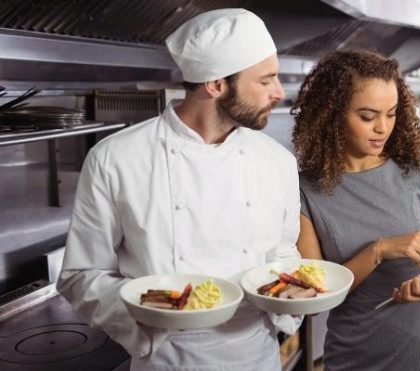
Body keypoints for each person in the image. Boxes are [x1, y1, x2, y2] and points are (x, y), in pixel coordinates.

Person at [57, 9, 300, 370]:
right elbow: (81, 275)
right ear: (215, 85)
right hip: (167, 358)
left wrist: (289, 305)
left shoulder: (277, 161)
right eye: (266, 81)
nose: (279, 92)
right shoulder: (115, 158)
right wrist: (149, 315)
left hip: (256, 355)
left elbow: (282, 251)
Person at [291, 50, 420, 371]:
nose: (383, 128)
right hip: (355, 352)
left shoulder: (419, 169)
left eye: (391, 113)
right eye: (367, 116)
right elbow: (316, 298)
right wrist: (379, 250)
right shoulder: (305, 190)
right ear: (331, 114)